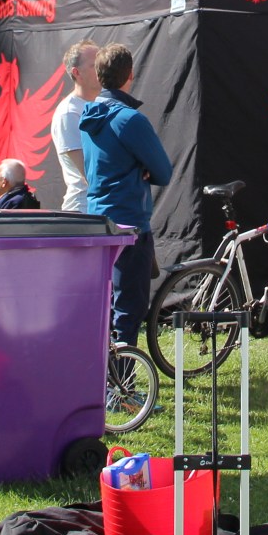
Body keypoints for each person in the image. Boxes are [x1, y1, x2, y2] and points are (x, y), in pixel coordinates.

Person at [79, 43, 172, 345]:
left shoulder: (89, 116)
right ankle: (123, 386)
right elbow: (164, 172)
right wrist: (142, 169)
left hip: (97, 221)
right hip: (129, 224)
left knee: (104, 306)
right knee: (129, 308)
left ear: (99, 75)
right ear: (130, 75)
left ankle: (103, 378)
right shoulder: (130, 119)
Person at [48, 40, 100, 213]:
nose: (102, 69)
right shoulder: (69, 113)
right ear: (77, 73)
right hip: (84, 211)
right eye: (95, 65)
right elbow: (89, 173)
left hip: (105, 208)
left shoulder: (104, 104)